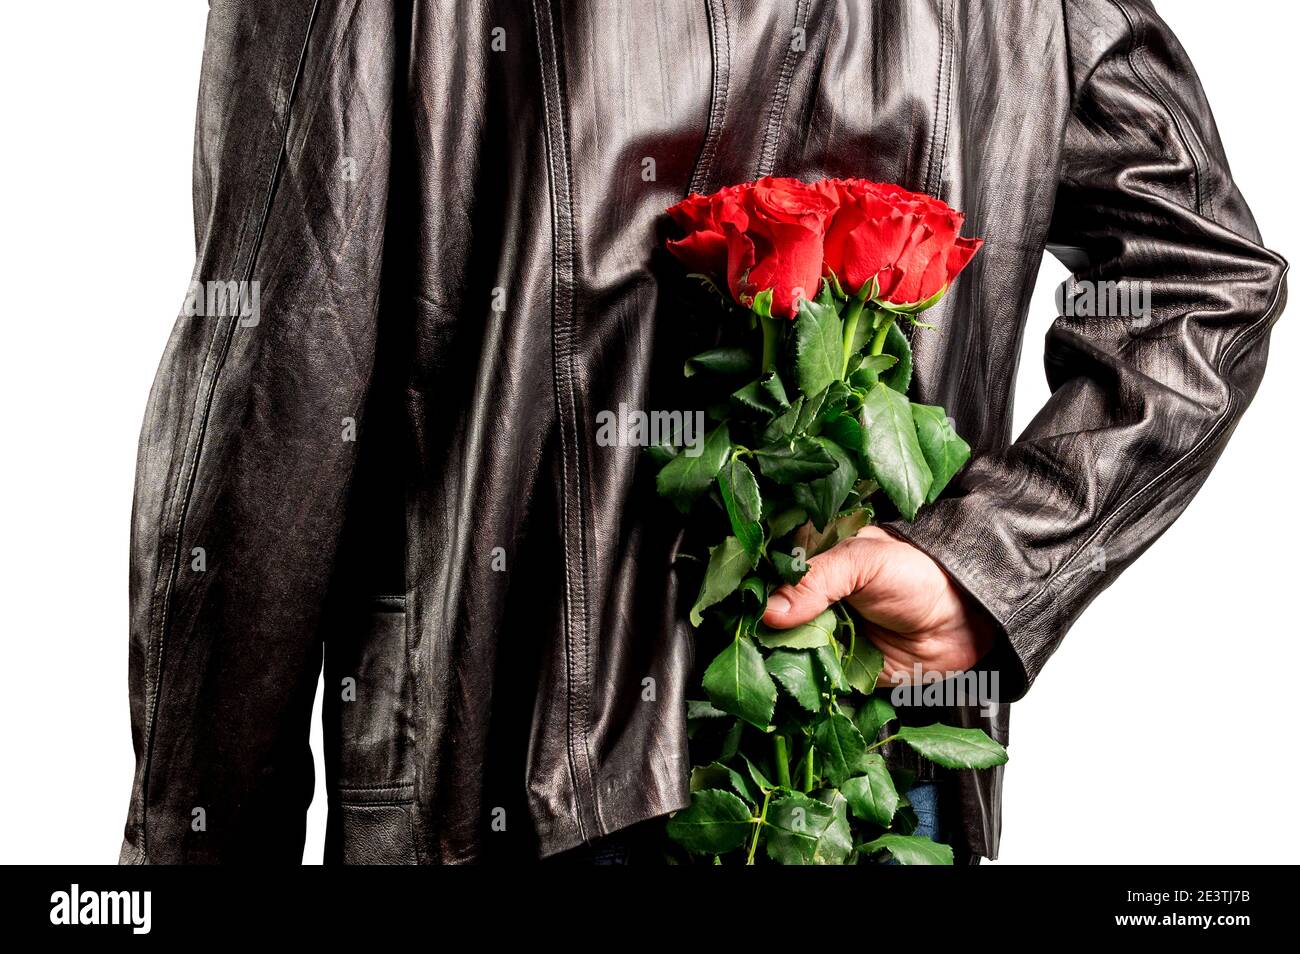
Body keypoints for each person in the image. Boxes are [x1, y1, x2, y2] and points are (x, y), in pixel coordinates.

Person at [120, 0, 1286, 864]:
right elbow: (1204, 278)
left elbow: (273, 385)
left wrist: (198, 835)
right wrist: (984, 564)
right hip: (871, 784)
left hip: (508, 780)